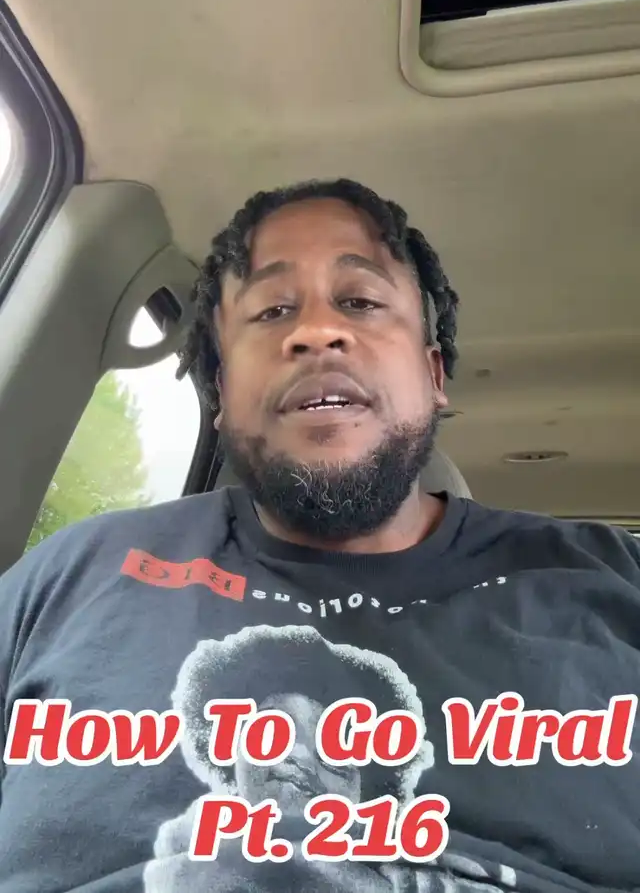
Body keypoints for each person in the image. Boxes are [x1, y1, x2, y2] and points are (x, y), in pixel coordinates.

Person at [0, 177, 639, 893]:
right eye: (272, 310)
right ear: (221, 392)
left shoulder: (614, 583)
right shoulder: (69, 579)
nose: (315, 332)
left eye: (360, 301)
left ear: (433, 375)